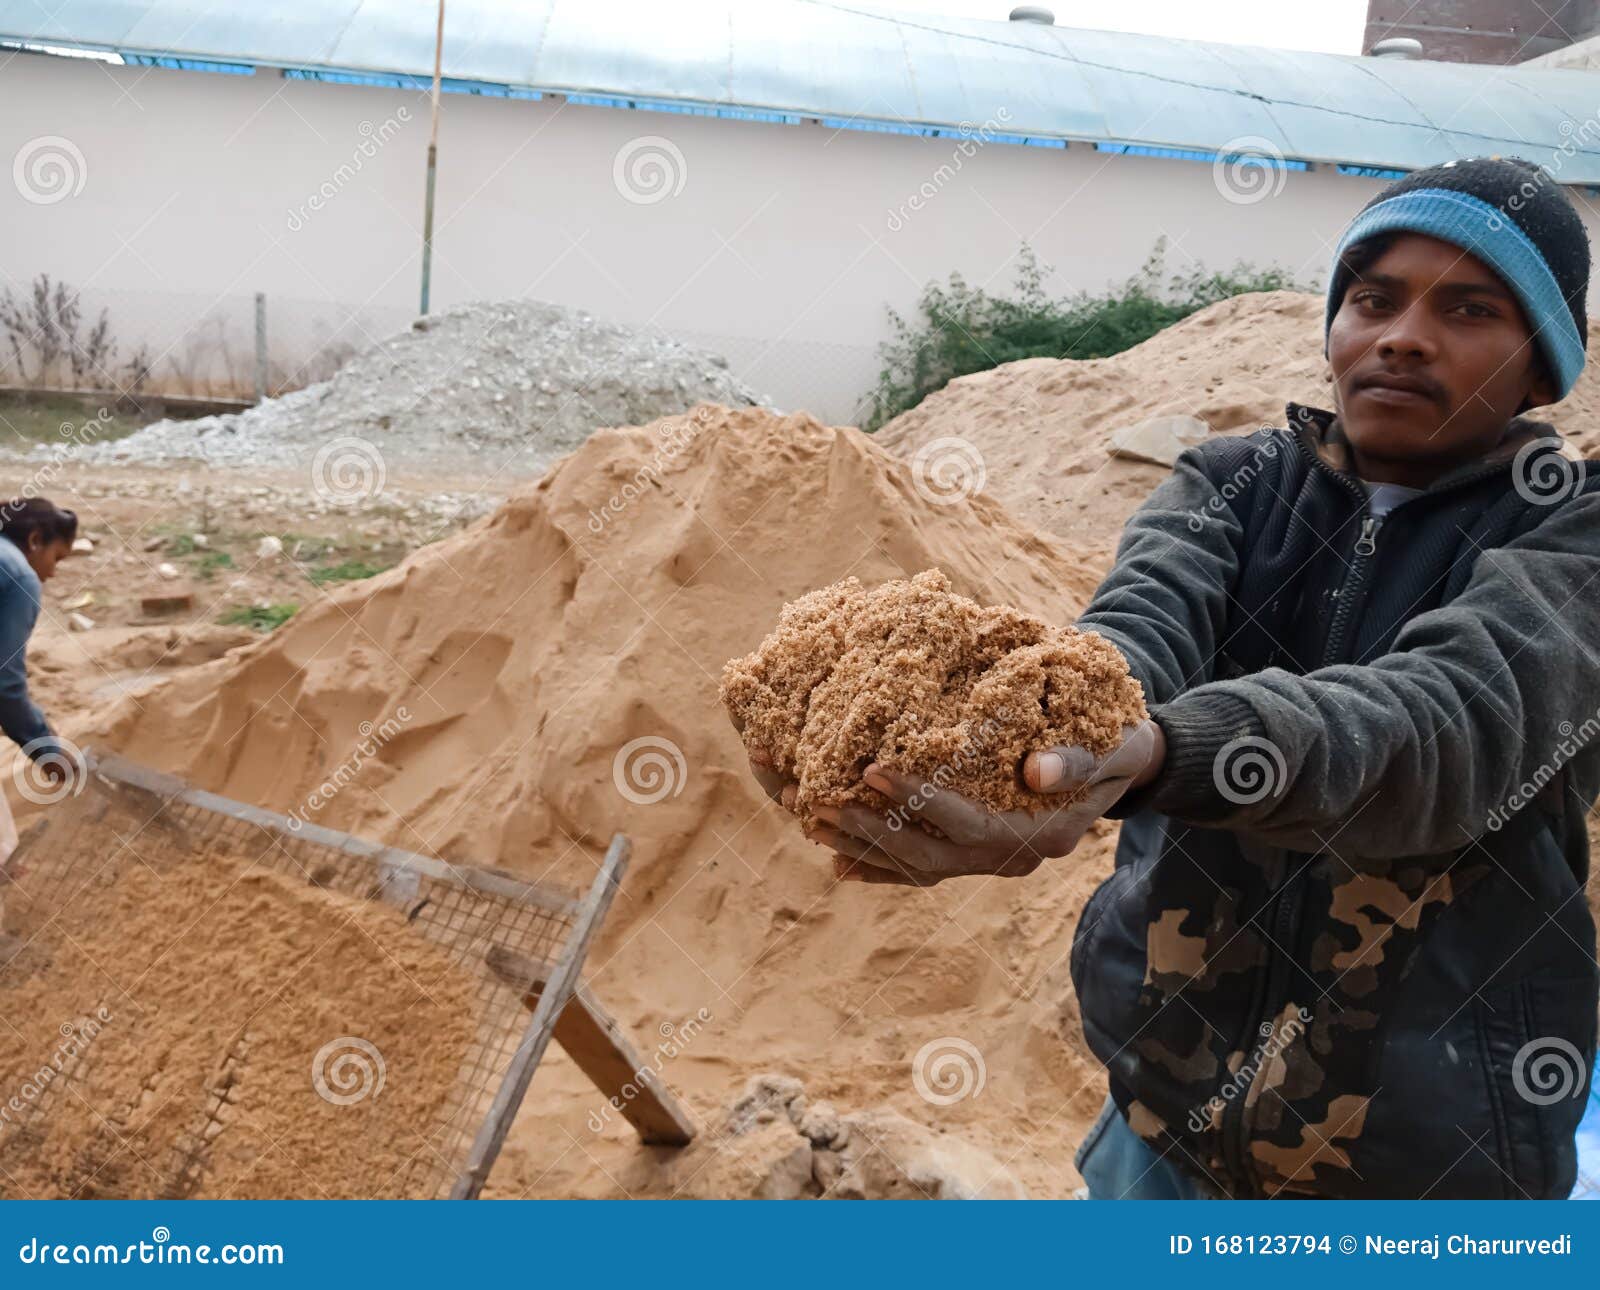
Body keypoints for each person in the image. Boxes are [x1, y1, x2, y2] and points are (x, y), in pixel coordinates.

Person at [746, 157, 1600, 1199]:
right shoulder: (1230, 482)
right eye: (1371, 299)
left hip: (1429, 1149)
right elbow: (1131, 637)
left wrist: (1158, 756)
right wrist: (1035, 751)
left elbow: (1442, 728)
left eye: (1467, 309)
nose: (1402, 334)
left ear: (1543, 367)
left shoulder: (1570, 530)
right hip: (1162, 1105)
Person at [0, 496, 79, 860]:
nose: (53, 573)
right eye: (57, 558)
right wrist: (45, 747)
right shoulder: (17, 573)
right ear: (35, 540)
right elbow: (5, 682)